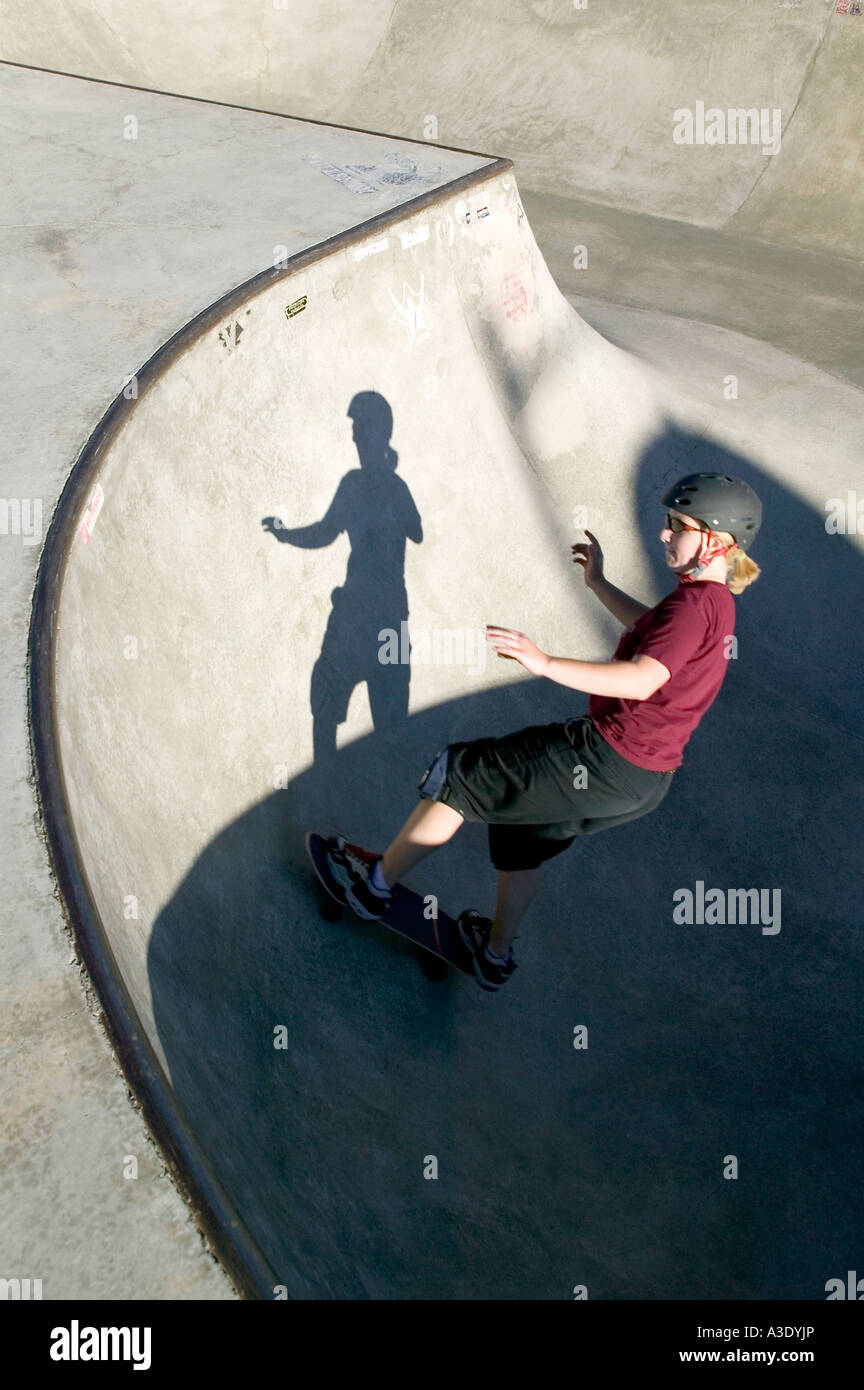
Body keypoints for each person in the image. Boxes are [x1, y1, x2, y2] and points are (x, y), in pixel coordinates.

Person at [324, 472, 762, 992]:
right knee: (521, 835)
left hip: (604, 757)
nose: (664, 534)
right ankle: (494, 954)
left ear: (716, 540)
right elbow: (652, 631)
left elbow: (645, 677)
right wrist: (599, 583)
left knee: (461, 776)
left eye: (677, 525)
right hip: (644, 781)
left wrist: (545, 662)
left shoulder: (693, 605)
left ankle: (371, 888)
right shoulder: (713, 604)